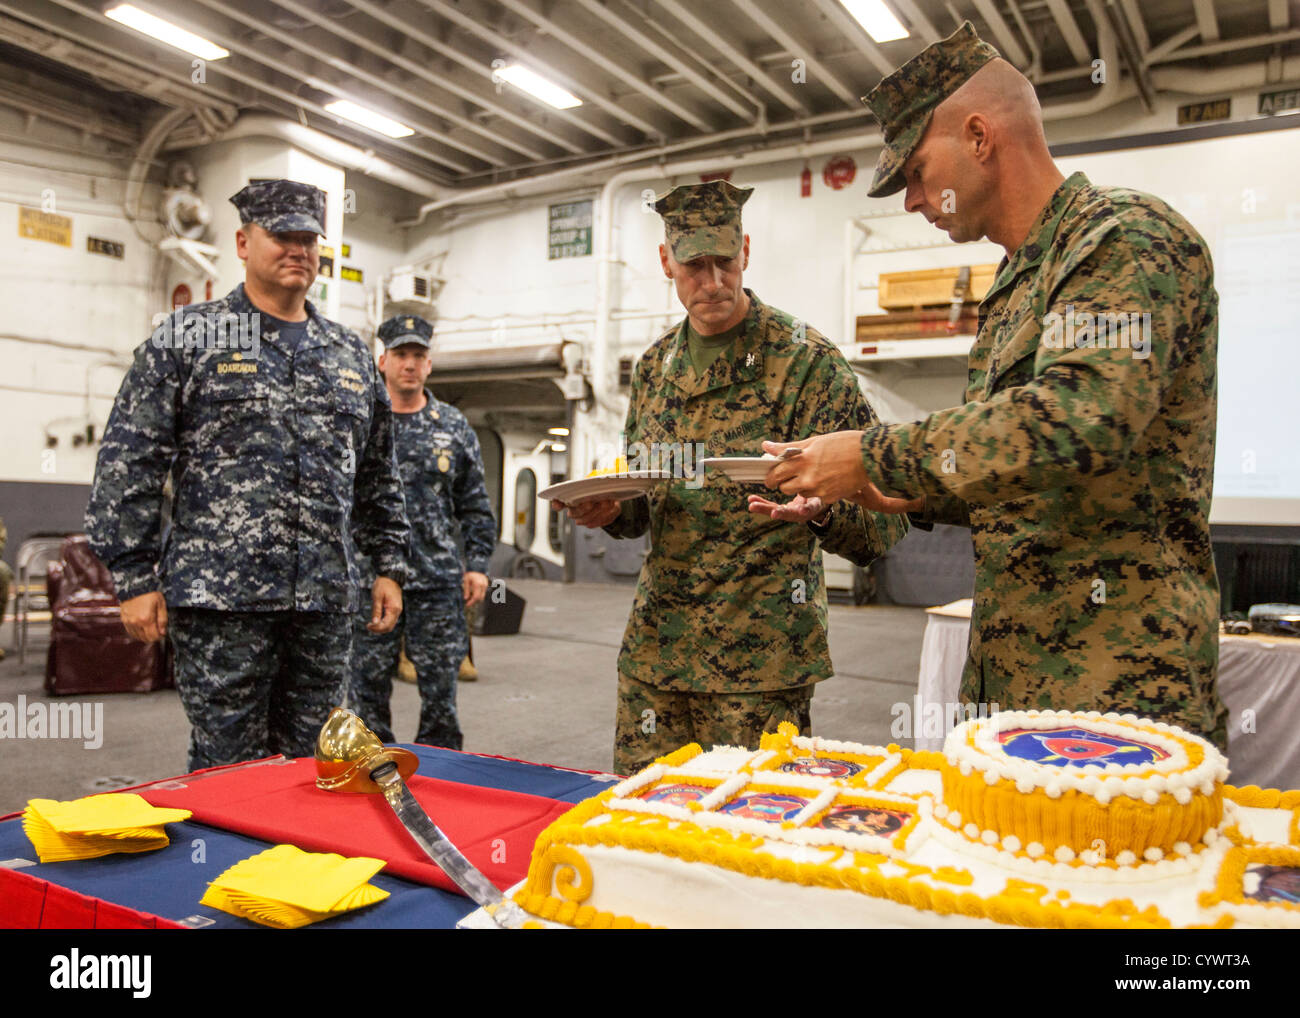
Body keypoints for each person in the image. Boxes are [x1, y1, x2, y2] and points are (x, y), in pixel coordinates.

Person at [765, 23, 1227, 747]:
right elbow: (1017, 476)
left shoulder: (1122, 238)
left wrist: (872, 454)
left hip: (1117, 687)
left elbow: (1083, 420)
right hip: (1015, 680)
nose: (912, 199)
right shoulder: (1016, 287)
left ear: (979, 137)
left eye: (915, 171)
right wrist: (886, 491)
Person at [558, 179, 907, 774]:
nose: (714, 281)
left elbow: (884, 521)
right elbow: (651, 492)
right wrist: (613, 511)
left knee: (752, 832)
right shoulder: (653, 367)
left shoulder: (806, 363)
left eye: (725, 261)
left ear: (746, 250)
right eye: (695, 265)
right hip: (657, 655)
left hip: (761, 665)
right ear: (666, 261)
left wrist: (820, 508)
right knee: (638, 823)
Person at [86, 180, 410, 769]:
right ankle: (222, 864)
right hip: (220, 602)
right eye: (281, 236)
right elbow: (130, 459)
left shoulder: (350, 353)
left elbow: (377, 472)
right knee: (227, 765)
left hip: (323, 602)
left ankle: (303, 864)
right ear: (242, 241)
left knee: (317, 763)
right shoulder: (188, 338)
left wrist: (387, 565)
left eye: (309, 239)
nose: (298, 250)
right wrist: (133, 577)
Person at [348, 314, 496, 748]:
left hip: (436, 582)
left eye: (418, 356)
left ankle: (441, 775)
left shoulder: (452, 426)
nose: (409, 364)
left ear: (429, 365)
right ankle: (377, 775)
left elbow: (474, 504)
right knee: (367, 692)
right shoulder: (360, 421)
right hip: (371, 579)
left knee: (440, 695)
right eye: (400, 355)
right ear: (382, 361)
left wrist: (479, 566)